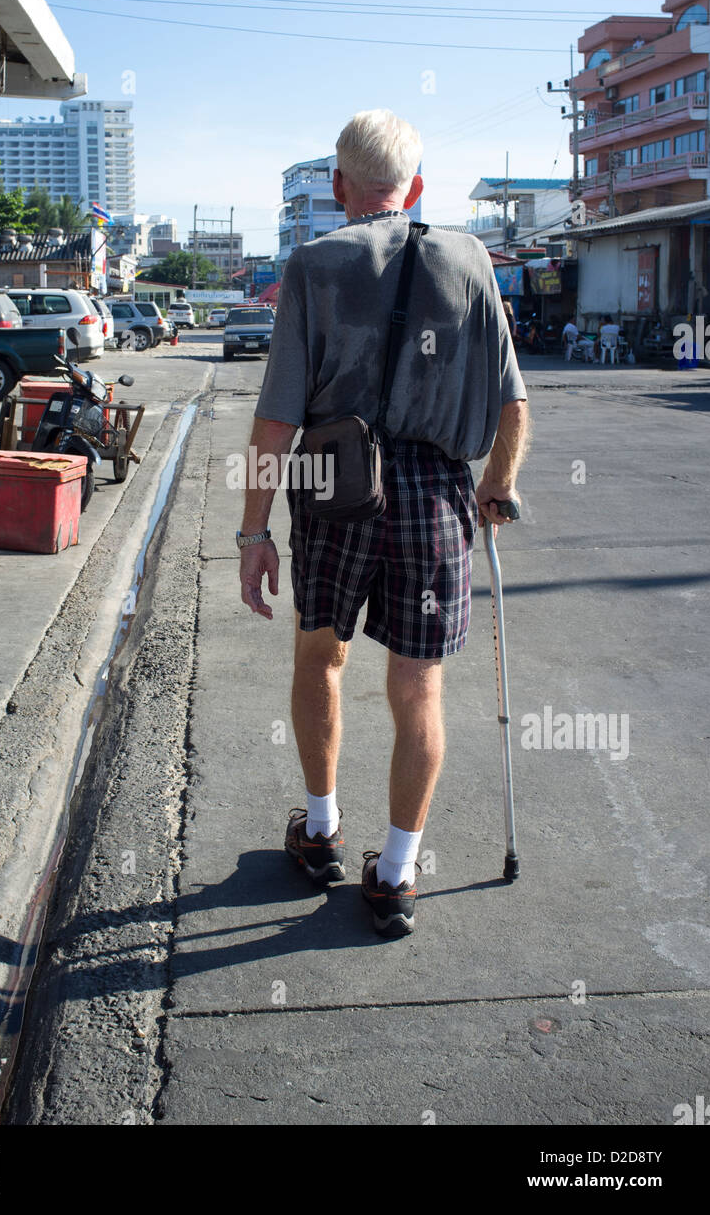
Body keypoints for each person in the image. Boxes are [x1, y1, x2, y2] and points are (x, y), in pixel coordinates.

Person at [236, 109, 529, 938]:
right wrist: (495, 488)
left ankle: (321, 831)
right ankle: (395, 877)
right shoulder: (471, 259)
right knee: (416, 686)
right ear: (419, 187)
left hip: (335, 481)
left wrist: (253, 534)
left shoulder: (315, 263)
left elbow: (275, 418)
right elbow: (512, 401)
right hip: (436, 490)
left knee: (318, 654)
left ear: (338, 186)